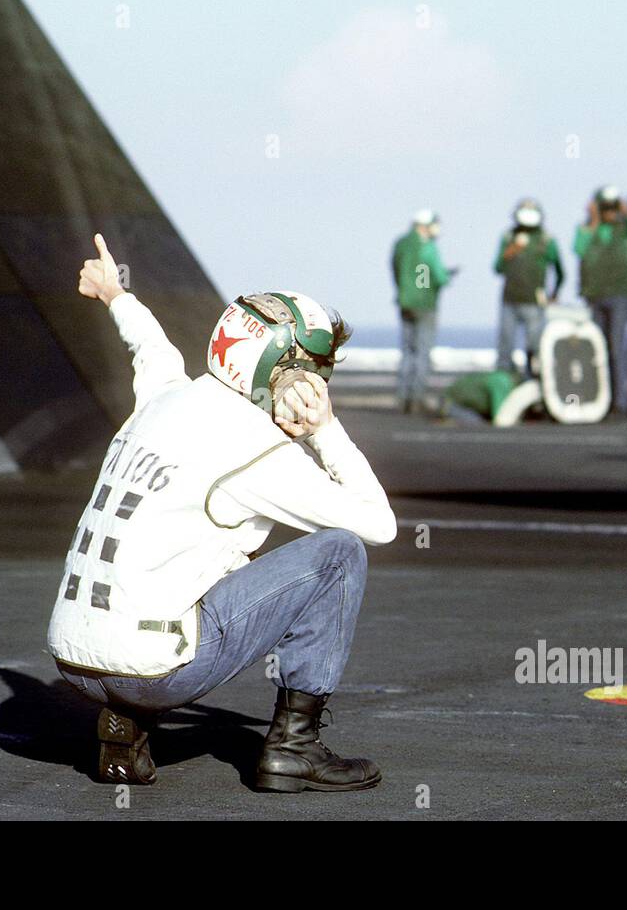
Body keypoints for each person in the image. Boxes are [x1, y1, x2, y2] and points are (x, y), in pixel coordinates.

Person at [47, 234, 397, 793]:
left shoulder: (166, 396)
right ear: (285, 373)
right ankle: (292, 750)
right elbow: (380, 525)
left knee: (213, 549)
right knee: (339, 553)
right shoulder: (260, 452)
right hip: (149, 671)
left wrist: (116, 295)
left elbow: (153, 350)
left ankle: (123, 723)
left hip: (71, 658)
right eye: (315, 371)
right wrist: (326, 430)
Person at [574, 185, 627, 417]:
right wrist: (593, 221)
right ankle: (598, 400)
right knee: (596, 349)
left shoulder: (625, 228)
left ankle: (619, 402)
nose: (608, 211)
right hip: (594, 295)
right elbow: (579, 248)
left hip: (619, 295)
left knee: (616, 348)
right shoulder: (589, 229)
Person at [493, 199, 564, 376]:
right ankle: (505, 383)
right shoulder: (508, 237)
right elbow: (497, 267)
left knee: (534, 346)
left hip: (534, 302)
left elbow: (560, 271)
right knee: (505, 346)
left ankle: (532, 381)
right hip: (509, 300)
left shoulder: (547, 240)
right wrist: (511, 251)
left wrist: (554, 294)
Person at [391, 209, 453, 414]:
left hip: (405, 303)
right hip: (425, 304)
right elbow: (438, 276)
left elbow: (397, 268)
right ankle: (417, 398)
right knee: (422, 352)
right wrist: (446, 276)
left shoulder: (401, 244)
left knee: (407, 351)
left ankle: (402, 398)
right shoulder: (428, 247)